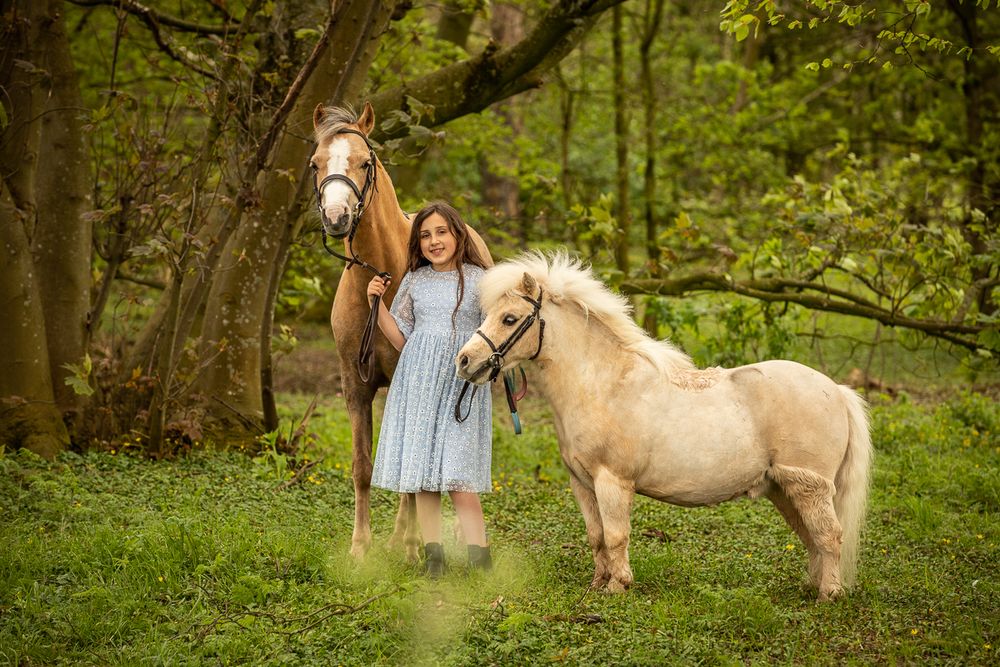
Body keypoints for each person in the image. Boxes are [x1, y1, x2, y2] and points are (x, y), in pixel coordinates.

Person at [367, 201, 493, 578]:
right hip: (417, 380)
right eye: (425, 235)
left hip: (459, 383)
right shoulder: (415, 281)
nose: (434, 241)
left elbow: (494, 331)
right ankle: (433, 557)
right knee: (423, 474)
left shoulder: (480, 280)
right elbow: (403, 339)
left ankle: (480, 558)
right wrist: (376, 304)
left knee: (458, 474)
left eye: (441, 232)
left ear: (458, 234)